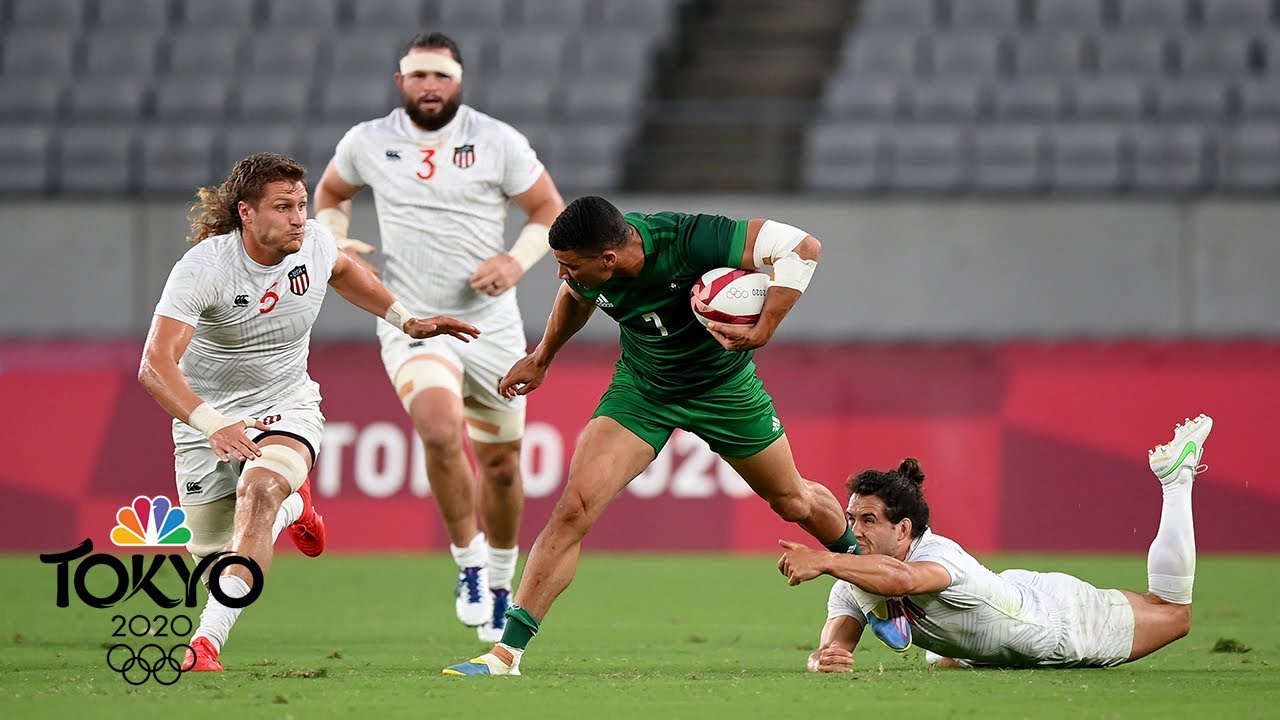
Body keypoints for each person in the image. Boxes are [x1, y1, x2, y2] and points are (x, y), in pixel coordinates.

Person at [443, 195, 906, 677]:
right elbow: (576, 299)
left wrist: (766, 325)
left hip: (723, 388)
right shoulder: (589, 273)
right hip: (643, 391)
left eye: (569, 266)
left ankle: (870, 582)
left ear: (609, 258)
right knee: (574, 509)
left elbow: (802, 248)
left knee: (792, 501)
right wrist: (541, 357)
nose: (563, 275)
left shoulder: (689, 239)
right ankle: (506, 654)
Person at [138, 152, 479, 671]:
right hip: (208, 418)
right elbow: (155, 365)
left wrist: (406, 321)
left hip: (286, 405)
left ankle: (204, 645)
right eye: (283, 207)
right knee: (218, 569)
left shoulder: (315, 243)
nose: (300, 217)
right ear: (246, 212)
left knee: (259, 491)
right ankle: (299, 509)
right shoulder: (204, 268)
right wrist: (210, 423)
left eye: (302, 204)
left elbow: (345, 270)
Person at [313, 32, 565, 642]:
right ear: (401, 82)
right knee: (437, 426)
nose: (431, 86)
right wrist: (334, 237)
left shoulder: (497, 140)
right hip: (412, 316)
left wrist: (515, 262)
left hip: (491, 322)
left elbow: (548, 209)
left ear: (459, 82)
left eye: (441, 76)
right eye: (419, 76)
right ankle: (469, 563)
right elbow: (330, 195)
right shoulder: (367, 142)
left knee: (502, 465)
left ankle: (503, 579)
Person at [777, 414, 1212, 671]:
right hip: (1010, 597)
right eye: (852, 519)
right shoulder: (852, 582)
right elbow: (829, 649)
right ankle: (960, 651)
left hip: (1061, 621)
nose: (856, 531)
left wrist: (825, 558)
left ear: (904, 530)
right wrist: (823, 662)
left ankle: (1176, 480)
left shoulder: (937, 556)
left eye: (868, 520)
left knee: (1173, 613)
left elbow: (900, 579)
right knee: (952, 654)